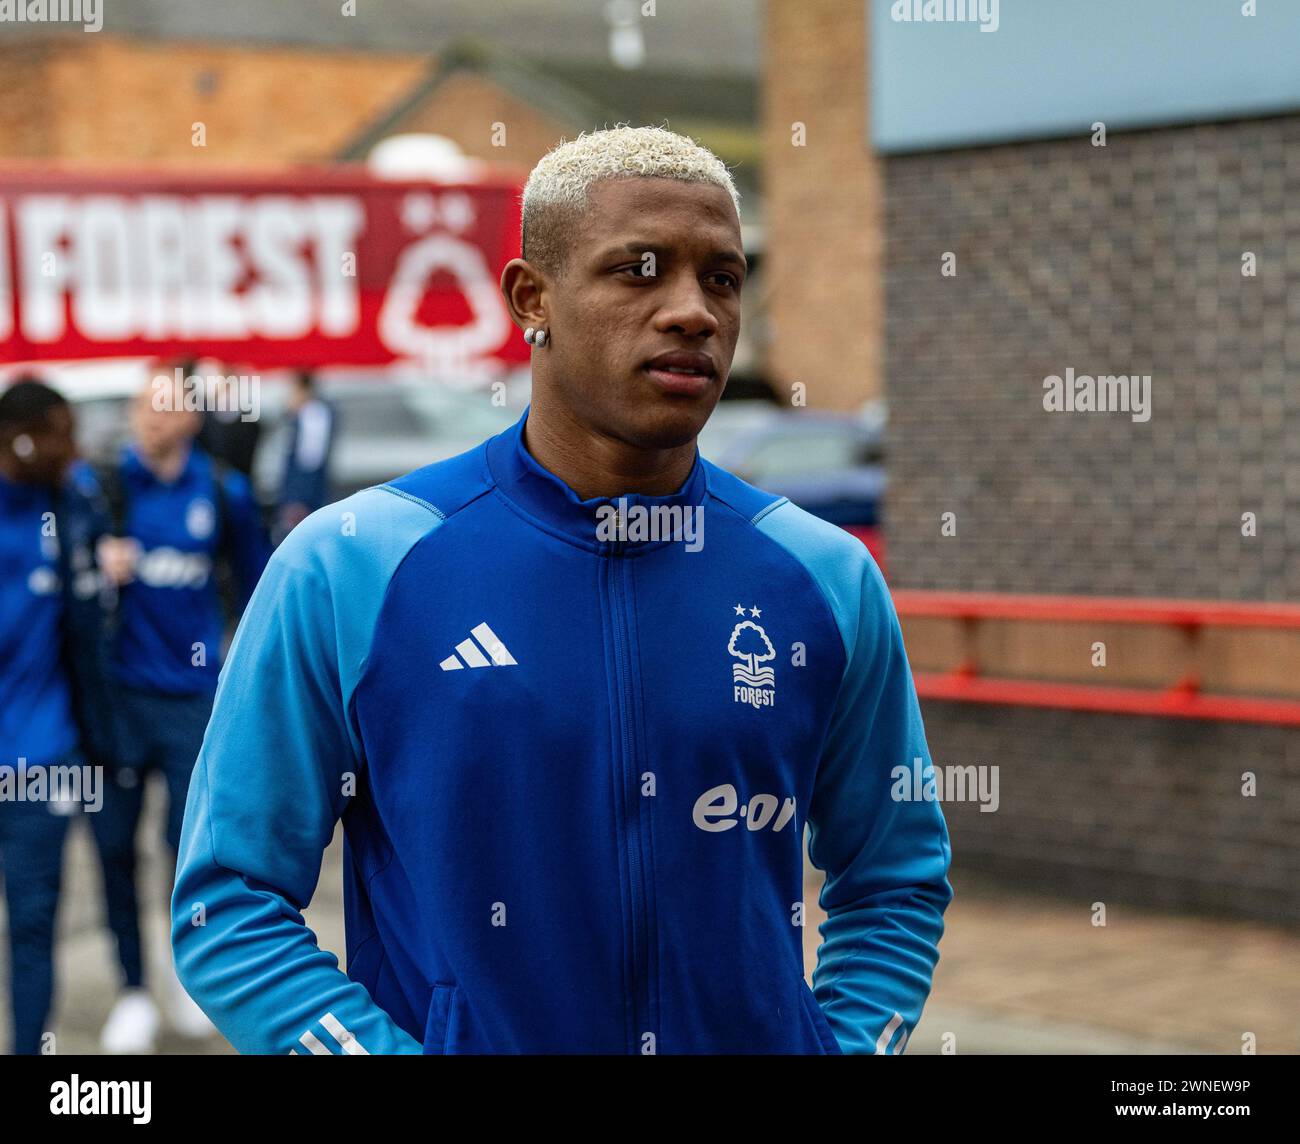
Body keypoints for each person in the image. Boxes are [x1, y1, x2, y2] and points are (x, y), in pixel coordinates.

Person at [172, 125, 953, 1055]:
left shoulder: (824, 575)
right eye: (640, 271)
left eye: (723, 278)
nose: (692, 311)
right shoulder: (351, 564)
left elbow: (895, 875)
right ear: (530, 298)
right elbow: (230, 898)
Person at [91, 382, 269, 1052]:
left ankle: (183, 979)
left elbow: (258, 592)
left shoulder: (224, 491)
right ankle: (132, 988)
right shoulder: (102, 485)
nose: (148, 417)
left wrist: (240, 680)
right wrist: (94, 561)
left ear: (192, 415)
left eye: (164, 405)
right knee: (113, 849)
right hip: (117, 703)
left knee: (186, 851)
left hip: (194, 701)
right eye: (141, 403)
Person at [0, 378, 115, 1055]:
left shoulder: (71, 506)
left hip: (44, 760)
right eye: (60, 434)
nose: (73, 450)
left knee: (34, 925)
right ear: (21, 437)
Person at [274, 370, 335, 544]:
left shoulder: (313, 414)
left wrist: (298, 500)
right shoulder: (308, 413)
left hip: (302, 499)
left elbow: (310, 460)